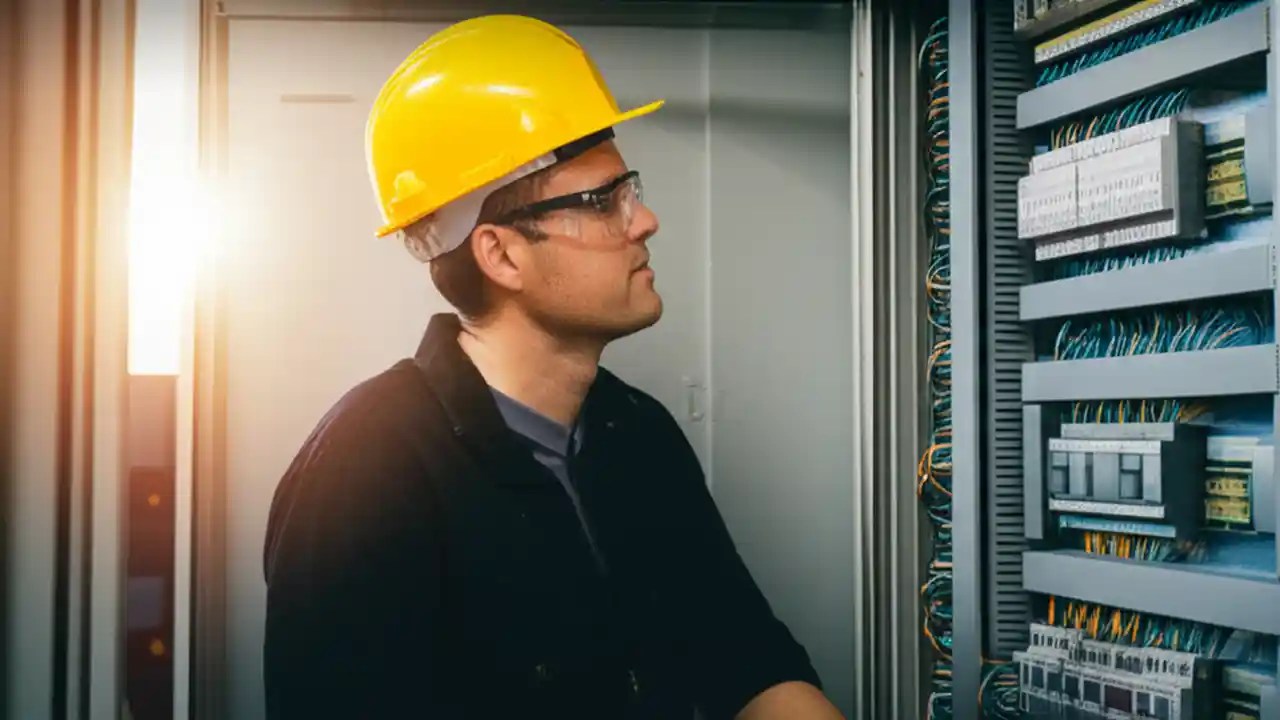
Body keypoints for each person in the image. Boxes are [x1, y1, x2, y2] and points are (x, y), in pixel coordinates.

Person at [262, 14, 843, 720]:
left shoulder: (637, 434)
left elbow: (747, 661)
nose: (645, 220)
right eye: (603, 202)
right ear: (500, 253)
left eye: (629, 189)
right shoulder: (366, 464)